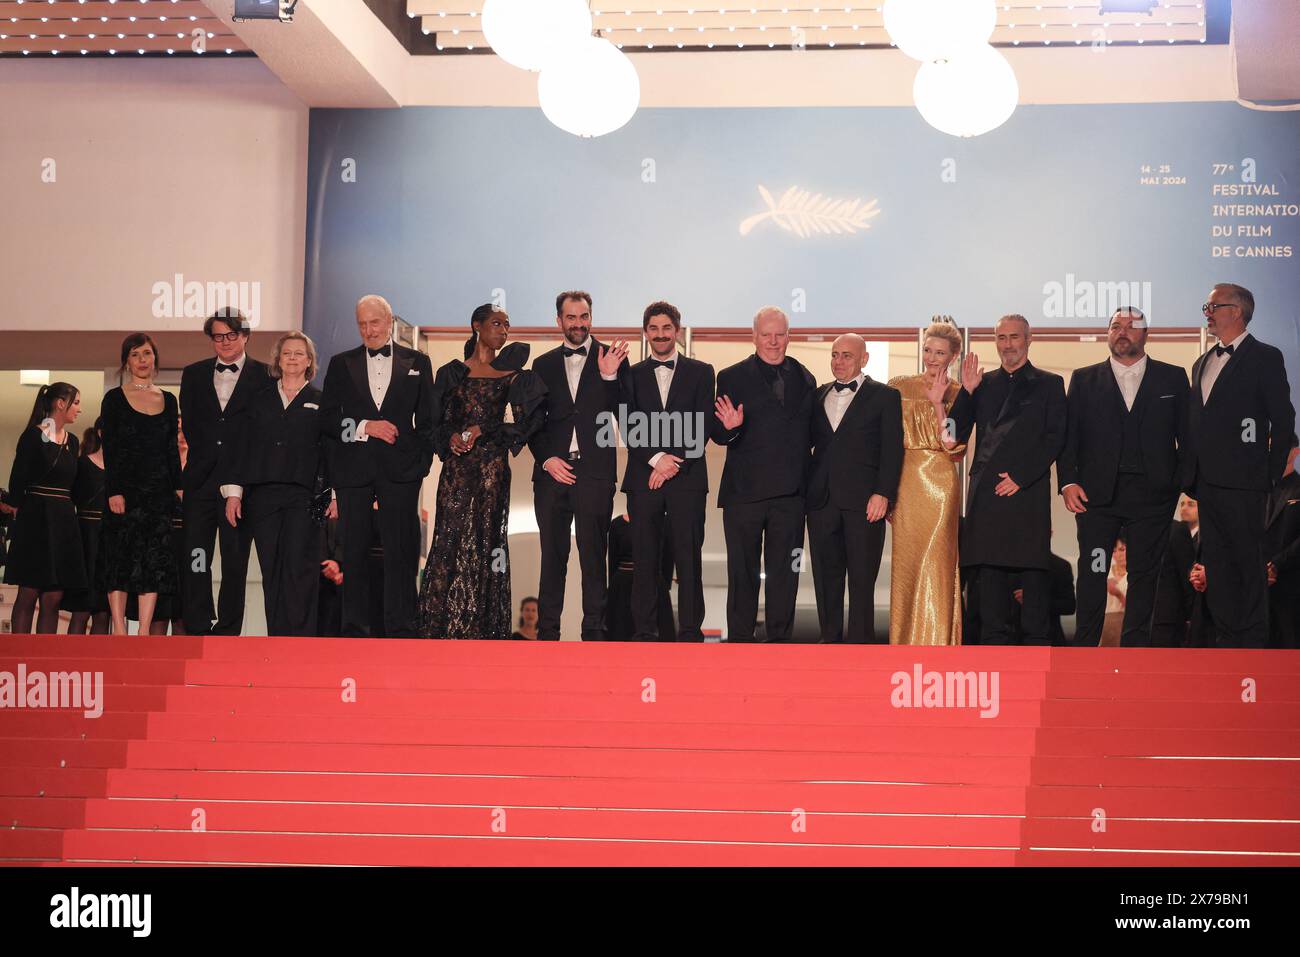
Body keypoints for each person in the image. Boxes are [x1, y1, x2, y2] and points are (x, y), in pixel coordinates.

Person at [1057, 307, 1189, 647]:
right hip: (1097, 498)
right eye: (1115, 326)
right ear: (1107, 333)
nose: (1122, 331)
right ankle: (1084, 652)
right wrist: (1067, 481)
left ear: (1146, 334)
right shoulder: (1084, 379)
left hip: (1152, 498)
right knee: (1094, 571)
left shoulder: (1172, 378)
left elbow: (1187, 438)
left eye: (1131, 326)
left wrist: (1178, 483)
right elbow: (1069, 437)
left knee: (1145, 576)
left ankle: (1134, 656)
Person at [417, 304, 545, 640]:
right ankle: (436, 633)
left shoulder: (516, 376)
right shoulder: (450, 373)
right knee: (448, 541)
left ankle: (484, 634)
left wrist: (481, 430)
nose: (503, 330)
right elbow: (433, 422)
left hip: (492, 471)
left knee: (489, 546)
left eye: (507, 325)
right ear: (476, 326)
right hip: (457, 470)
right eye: (496, 323)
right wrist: (451, 438)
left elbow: (527, 424)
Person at [1184, 283, 1295, 647]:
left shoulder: (1265, 356)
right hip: (1207, 485)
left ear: (1237, 310)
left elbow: (1283, 419)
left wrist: (1270, 472)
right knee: (1216, 566)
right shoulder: (1202, 362)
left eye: (1213, 305)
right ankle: (1225, 643)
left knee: (1247, 567)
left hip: (1247, 485)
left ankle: (1251, 647)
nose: (1207, 311)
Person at [320, 294, 436, 638]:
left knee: (400, 549)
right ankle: (354, 628)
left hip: (402, 472)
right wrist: (365, 427)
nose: (368, 330)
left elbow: (428, 420)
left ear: (390, 323)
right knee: (353, 548)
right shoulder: (341, 363)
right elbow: (327, 420)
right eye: (362, 324)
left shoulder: (418, 361)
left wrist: (421, 464)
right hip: (354, 470)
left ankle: (401, 627)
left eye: (374, 322)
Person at [950, 314, 1067, 645]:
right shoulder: (982, 385)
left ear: (1029, 340)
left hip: (1026, 503)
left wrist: (1021, 476)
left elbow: (1055, 438)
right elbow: (951, 435)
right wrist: (966, 393)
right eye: (1001, 338)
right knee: (989, 610)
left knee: (1033, 612)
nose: (1007, 345)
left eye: (1014, 337)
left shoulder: (1050, 384)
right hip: (986, 505)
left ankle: (1034, 685)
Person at [527, 291, 630, 641]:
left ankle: (594, 634)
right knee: (552, 558)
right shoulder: (541, 366)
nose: (578, 323)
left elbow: (626, 415)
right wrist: (546, 458)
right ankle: (548, 634)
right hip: (551, 473)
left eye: (584, 316)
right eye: (571, 317)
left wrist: (609, 378)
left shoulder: (612, 358)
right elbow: (532, 422)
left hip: (595, 474)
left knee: (593, 556)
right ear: (559, 320)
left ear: (591, 317)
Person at [712, 307, 816, 643]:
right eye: (766, 334)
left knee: (785, 574)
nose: (773, 341)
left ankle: (780, 646)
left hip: (790, 497)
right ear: (754, 335)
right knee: (742, 574)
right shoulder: (730, 377)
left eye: (780, 334)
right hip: (744, 494)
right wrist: (728, 429)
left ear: (789, 335)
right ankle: (740, 644)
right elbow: (717, 431)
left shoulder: (806, 378)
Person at [223, 332, 333, 637]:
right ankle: (278, 640)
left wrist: (330, 496)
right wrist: (234, 494)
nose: (293, 358)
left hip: (305, 497)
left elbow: (330, 452)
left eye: (300, 353)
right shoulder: (258, 401)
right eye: (287, 353)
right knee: (272, 568)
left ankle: (301, 641)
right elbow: (240, 448)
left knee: (300, 568)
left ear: (309, 361)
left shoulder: (322, 401)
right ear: (278, 359)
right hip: (263, 496)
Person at [619, 301, 715, 642]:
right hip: (643, 479)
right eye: (653, 329)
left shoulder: (703, 371)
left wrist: (672, 463)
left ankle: (690, 632)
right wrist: (657, 459)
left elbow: (701, 425)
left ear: (677, 330)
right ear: (646, 332)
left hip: (687, 479)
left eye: (666, 328)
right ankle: (645, 632)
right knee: (644, 558)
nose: (660, 335)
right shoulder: (627, 375)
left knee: (689, 556)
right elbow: (627, 425)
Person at [806, 333, 902, 644]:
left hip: (865, 502)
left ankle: (861, 646)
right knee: (825, 577)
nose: (839, 361)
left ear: (864, 359)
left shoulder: (885, 396)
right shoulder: (817, 395)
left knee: (862, 580)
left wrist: (884, 493)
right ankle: (829, 641)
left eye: (847, 355)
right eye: (834, 355)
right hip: (821, 501)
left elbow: (892, 449)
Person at [179, 308, 269, 635]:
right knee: (197, 556)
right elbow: (190, 423)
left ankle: (229, 629)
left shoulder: (265, 375)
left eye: (232, 335)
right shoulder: (192, 374)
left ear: (245, 336)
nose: (225, 342)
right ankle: (198, 623)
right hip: (200, 481)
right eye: (219, 336)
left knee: (234, 561)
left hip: (242, 485)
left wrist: (238, 479)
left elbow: (261, 432)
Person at [888, 319, 966, 646]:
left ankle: (939, 644)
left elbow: (952, 444)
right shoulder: (897, 386)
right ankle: (903, 643)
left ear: (953, 357)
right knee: (906, 563)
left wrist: (937, 402)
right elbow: (887, 442)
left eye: (940, 353)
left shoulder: (960, 393)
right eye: (928, 350)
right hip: (905, 481)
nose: (932, 358)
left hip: (941, 482)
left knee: (938, 560)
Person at [98, 333, 183, 635]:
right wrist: (114, 490)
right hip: (125, 491)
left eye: (147, 353)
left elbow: (171, 448)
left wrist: (178, 486)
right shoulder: (114, 399)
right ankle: (119, 626)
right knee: (120, 556)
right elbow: (111, 447)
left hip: (158, 492)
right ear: (126, 362)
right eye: (135, 355)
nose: (142, 360)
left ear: (155, 358)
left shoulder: (169, 399)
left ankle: (144, 629)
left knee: (154, 559)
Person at [3, 383, 85, 633]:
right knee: (29, 590)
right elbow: (17, 480)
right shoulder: (34, 435)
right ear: (61, 403)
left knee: (54, 596)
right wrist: (17, 508)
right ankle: (19, 656)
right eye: (76, 402)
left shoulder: (72, 440)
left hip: (63, 520)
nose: (79, 410)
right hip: (36, 519)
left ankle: (44, 659)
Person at [66, 419, 109, 635]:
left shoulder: (124, 470)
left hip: (110, 539)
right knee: (81, 609)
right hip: (84, 538)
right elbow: (71, 498)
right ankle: (70, 663)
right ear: (101, 432)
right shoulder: (82, 464)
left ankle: (101, 663)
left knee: (103, 611)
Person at [1151, 494, 1200, 647]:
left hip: (1169, 615)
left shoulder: (1176, 530)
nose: (1184, 508)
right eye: (1182, 504)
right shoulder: (1176, 530)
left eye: (1191, 504)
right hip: (1160, 613)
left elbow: (1186, 576)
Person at [1265, 438, 1300, 648]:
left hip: (1292, 587)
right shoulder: (1257, 491)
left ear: (1295, 452)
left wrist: (1276, 564)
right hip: (1257, 589)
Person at [1099, 536, 1128, 647]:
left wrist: (1118, 594)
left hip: (1126, 624)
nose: (1118, 555)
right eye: (1114, 551)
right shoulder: (1106, 573)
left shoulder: (1136, 575)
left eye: (1122, 550)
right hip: (1105, 625)